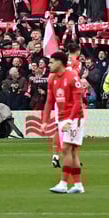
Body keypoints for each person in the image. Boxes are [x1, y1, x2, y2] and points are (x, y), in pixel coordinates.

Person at [43, 50, 86, 194]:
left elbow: (77, 102)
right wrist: (44, 120)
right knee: (72, 151)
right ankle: (78, 185)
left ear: (59, 62)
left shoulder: (72, 77)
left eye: (51, 62)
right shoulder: (52, 79)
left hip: (75, 117)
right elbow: (49, 101)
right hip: (63, 117)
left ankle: (63, 183)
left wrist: (70, 119)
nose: (48, 65)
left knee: (67, 149)